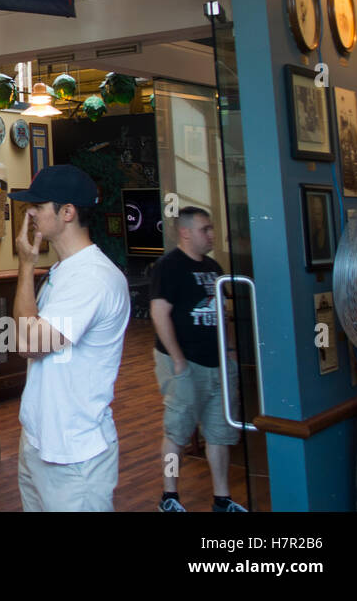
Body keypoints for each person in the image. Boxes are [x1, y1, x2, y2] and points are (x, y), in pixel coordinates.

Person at [11, 165, 130, 512]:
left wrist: (24, 265)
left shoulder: (92, 278)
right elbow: (27, 341)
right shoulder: (64, 271)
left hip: (75, 453)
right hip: (39, 441)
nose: (29, 213)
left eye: (38, 205)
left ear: (67, 212)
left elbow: (29, 343)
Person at [151, 206, 247, 512]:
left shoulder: (214, 267)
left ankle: (222, 499)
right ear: (185, 232)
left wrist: (230, 351)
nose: (211, 235)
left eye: (211, 228)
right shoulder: (169, 267)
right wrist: (178, 360)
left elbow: (224, 313)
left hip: (218, 362)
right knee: (176, 432)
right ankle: (170, 496)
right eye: (205, 229)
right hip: (184, 363)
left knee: (219, 433)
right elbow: (159, 313)